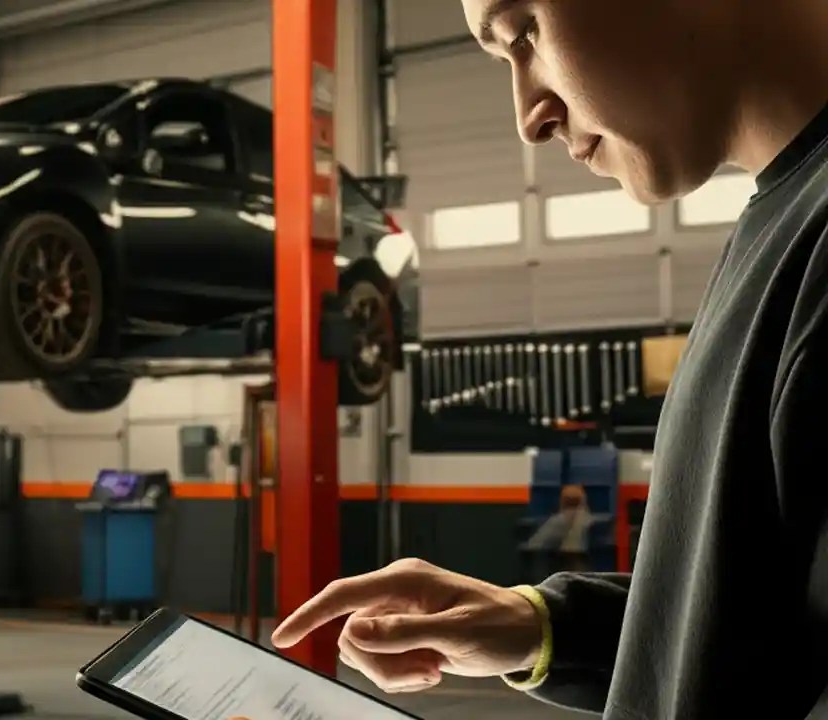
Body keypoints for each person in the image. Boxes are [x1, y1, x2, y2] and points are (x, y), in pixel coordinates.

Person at [271, 0, 828, 717]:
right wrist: (541, 627)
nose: (529, 115)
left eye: (524, 33)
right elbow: (768, 630)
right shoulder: (783, 222)